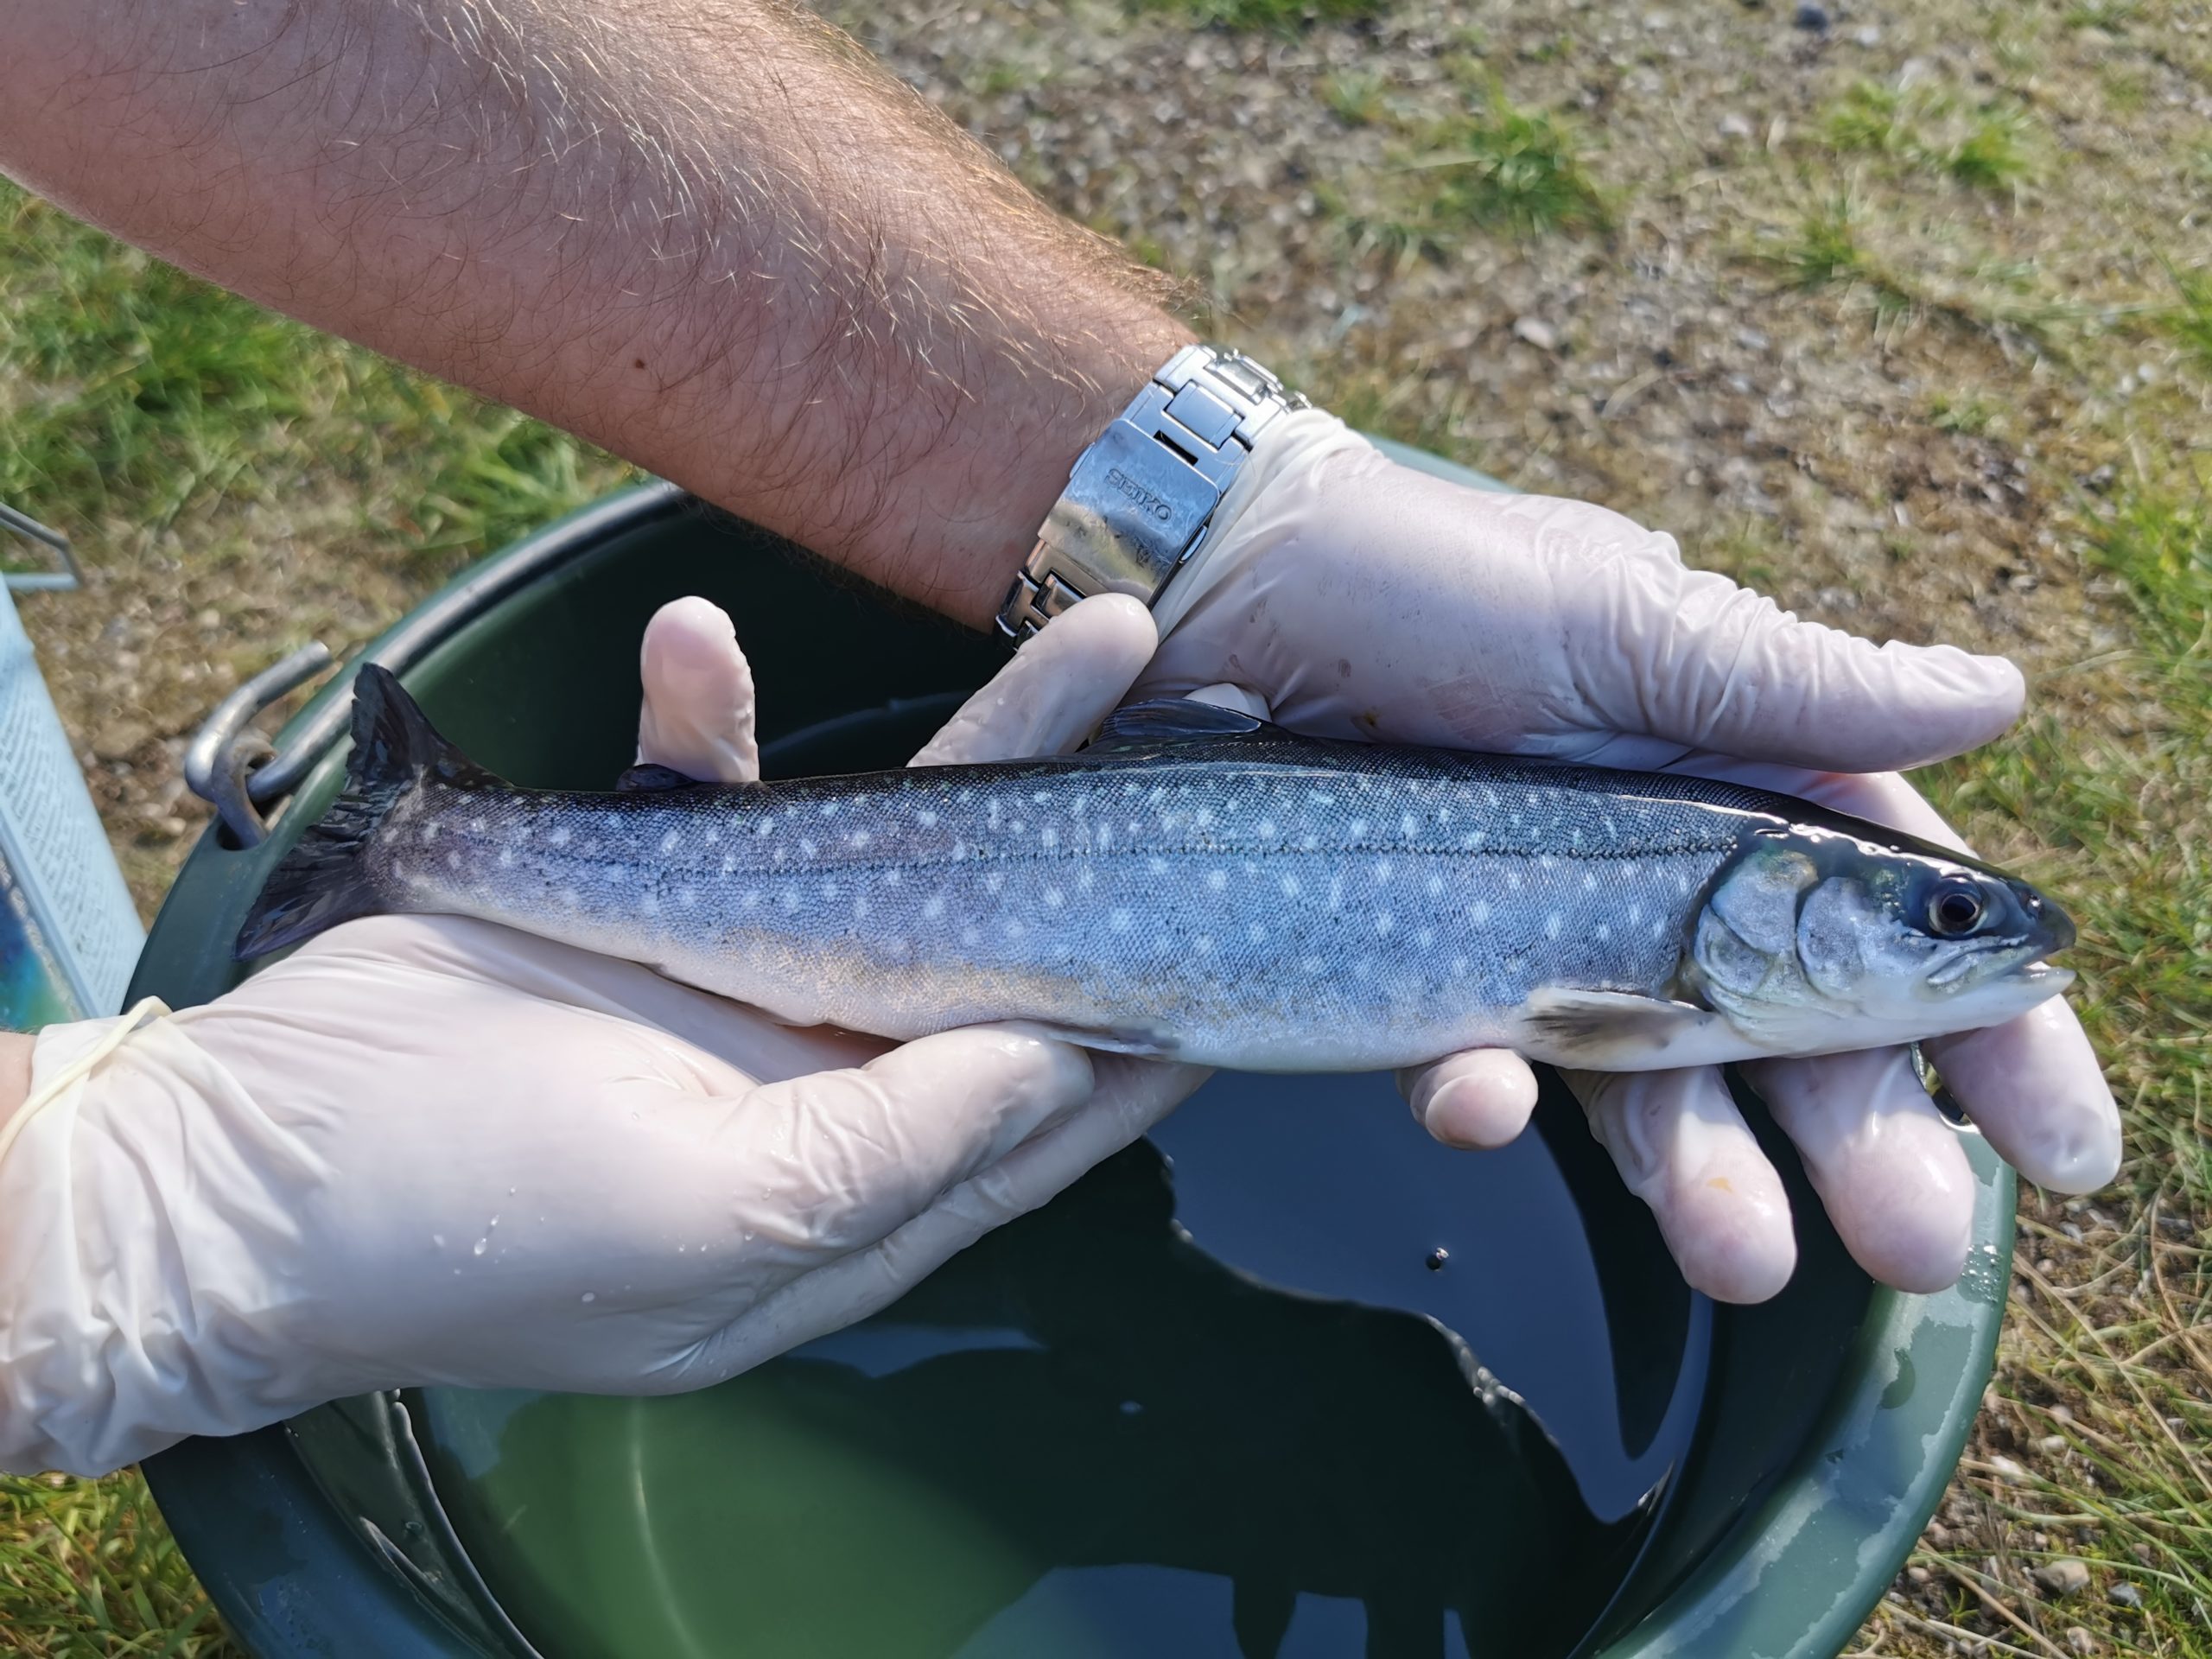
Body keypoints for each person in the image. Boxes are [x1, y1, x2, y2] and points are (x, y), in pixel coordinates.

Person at [0, 1, 2115, 1478]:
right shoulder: (1651, 958)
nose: (1962, 930)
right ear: (1791, 895)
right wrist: (92, 1242)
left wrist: (1231, 516)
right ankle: (413, 848)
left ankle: (388, 860)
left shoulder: (1666, 934)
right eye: (1926, 914)